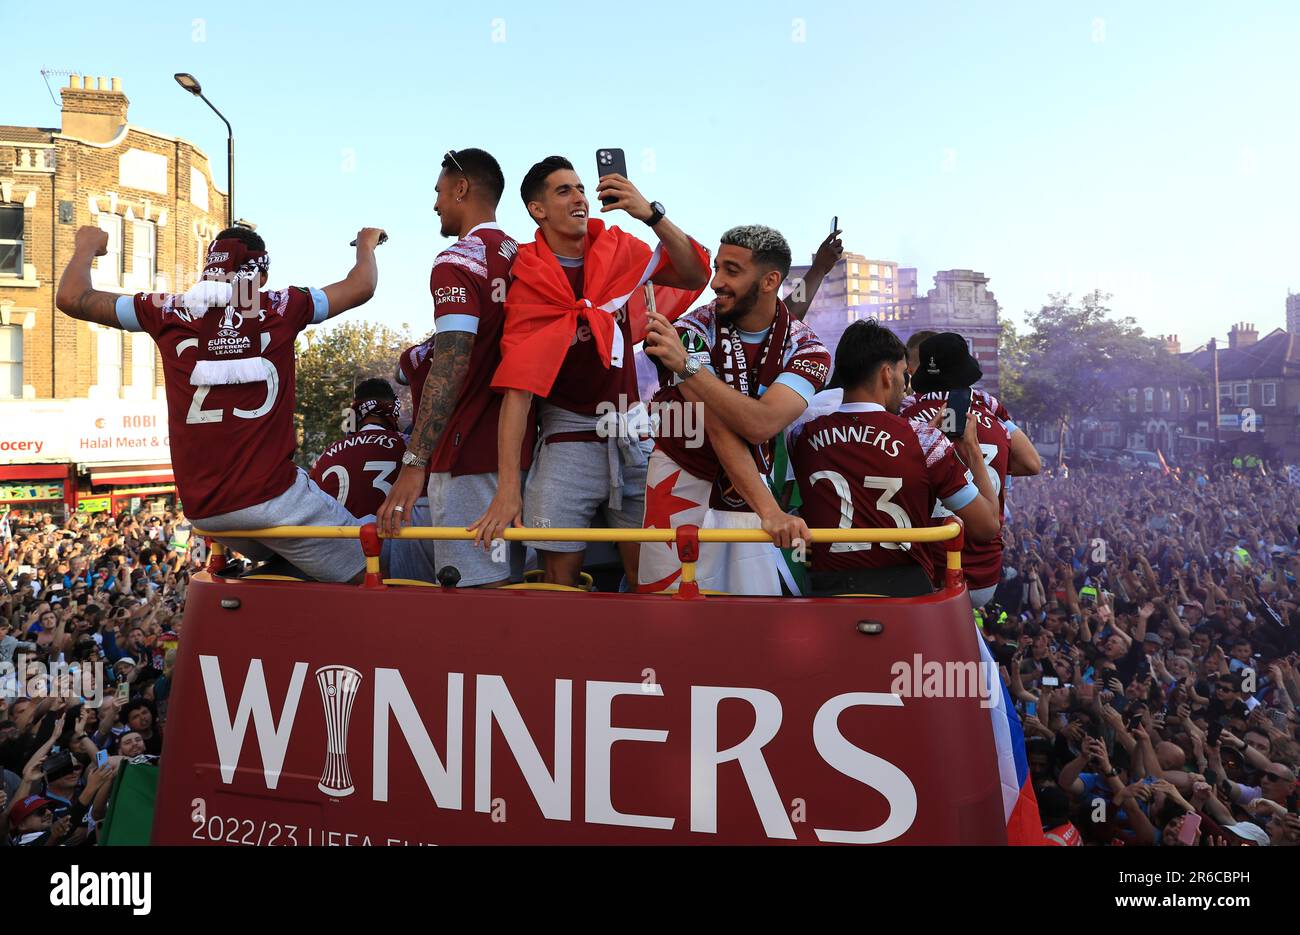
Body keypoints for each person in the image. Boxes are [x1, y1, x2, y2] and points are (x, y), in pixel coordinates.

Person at [55, 224, 385, 583]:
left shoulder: (166, 310)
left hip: (206, 512)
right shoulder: (284, 306)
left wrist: (87, 245)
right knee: (372, 568)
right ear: (262, 275)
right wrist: (366, 244)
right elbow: (361, 286)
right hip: (273, 499)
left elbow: (73, 297)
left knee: (293, 562)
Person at [473, 155, 710, 588]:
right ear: (537, 209)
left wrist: (651, 214)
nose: (580, 197)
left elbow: (696, 273)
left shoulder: (617, 246)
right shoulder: (527, 274)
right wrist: (508, 489)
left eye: (581, 188)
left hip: (632, 431)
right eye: (564, 190)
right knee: (558, 580)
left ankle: (645, 656)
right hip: (566, 438)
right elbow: (518, 393)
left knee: (651, 577)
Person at [638, 225, 832, 595]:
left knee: (747, 610)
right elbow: (716, 426)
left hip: (751, 487)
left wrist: (688, 367)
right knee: (669, 606)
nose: (715, 282)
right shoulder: (690, 330)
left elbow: (760, 425)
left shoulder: (808, 348)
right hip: (681, 476)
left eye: (731, 270)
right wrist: (769, 511)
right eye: (716, 268)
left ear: (769, 280)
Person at [376, 148, 528, 587]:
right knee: (525, 591)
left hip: (466, 458)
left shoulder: (457, 260)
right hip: (523, 455)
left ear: (462, 189)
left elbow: (451, 364)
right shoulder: (528, 258)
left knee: (477, 599)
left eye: (440, 192)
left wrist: (413, 460)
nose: (436, 204)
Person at [786, 320, 1001, 597]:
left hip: (827, 591)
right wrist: (970, 449)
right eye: (904, 374)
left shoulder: (801, 436)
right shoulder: (924, 441)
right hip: (904, 595)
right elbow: (987, 527)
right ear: (887, 374)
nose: (905, 384)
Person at [900, 331, 1042, 605]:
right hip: (985, 575)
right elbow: (1031, 463)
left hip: (930, 574)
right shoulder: (991, 414)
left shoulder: (903, 414)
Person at [311, 378, 437, 583]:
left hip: (338, 560)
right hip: (396, 559)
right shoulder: (412, 450)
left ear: (355, 413)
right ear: (393, 410)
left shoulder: (326, 454)